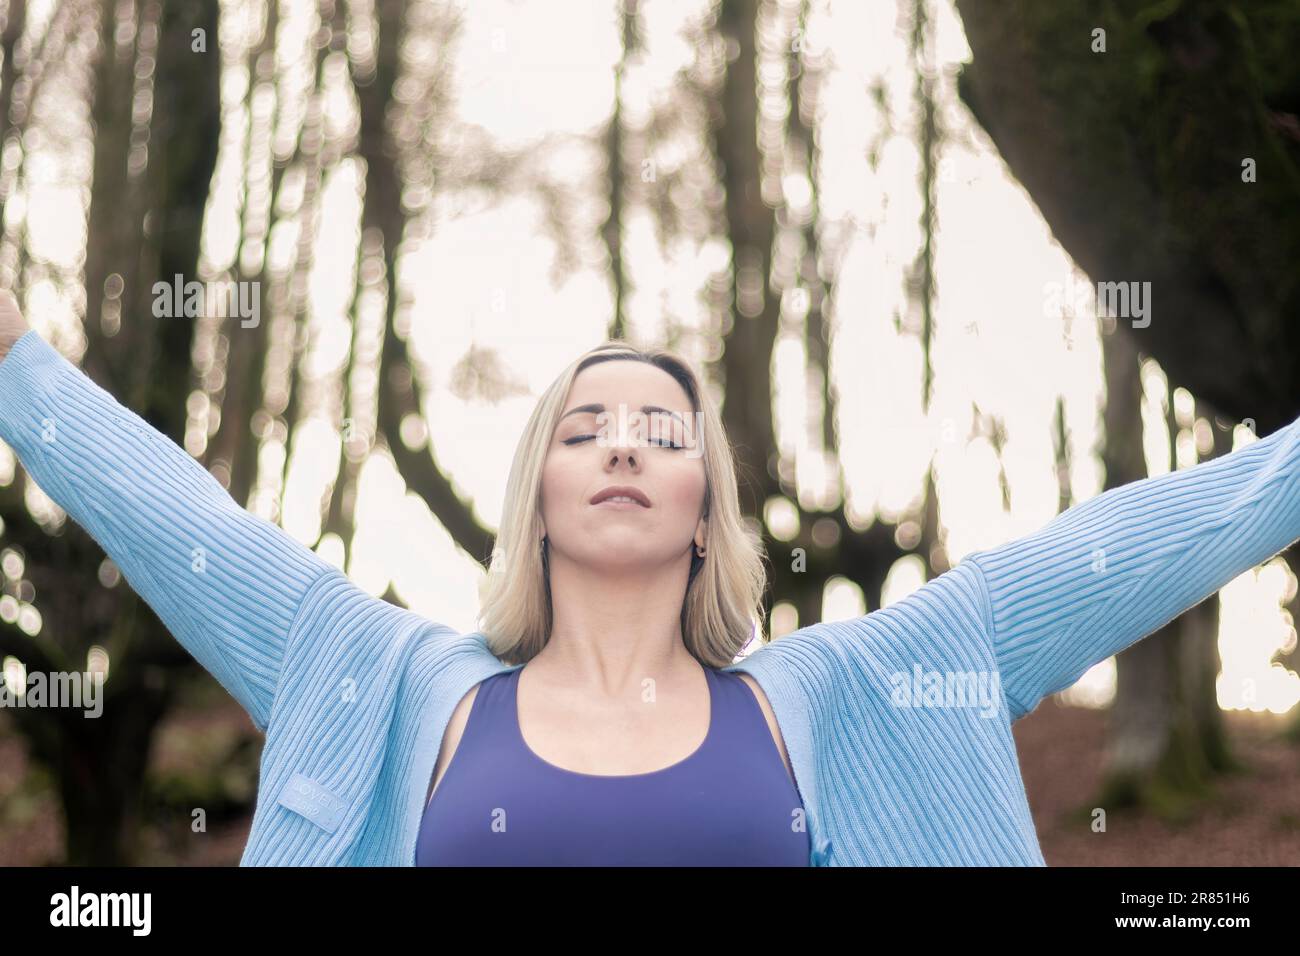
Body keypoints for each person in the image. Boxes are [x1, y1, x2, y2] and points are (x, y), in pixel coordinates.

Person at [0, 288, 1297, 866]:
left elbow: (1116, 552)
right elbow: (185, 524)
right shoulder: (397, 687)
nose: (623, 439)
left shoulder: (843, 693)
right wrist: (16, 365)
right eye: (584, 428)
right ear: (541, 500)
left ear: (703, 510)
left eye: (663, 431)